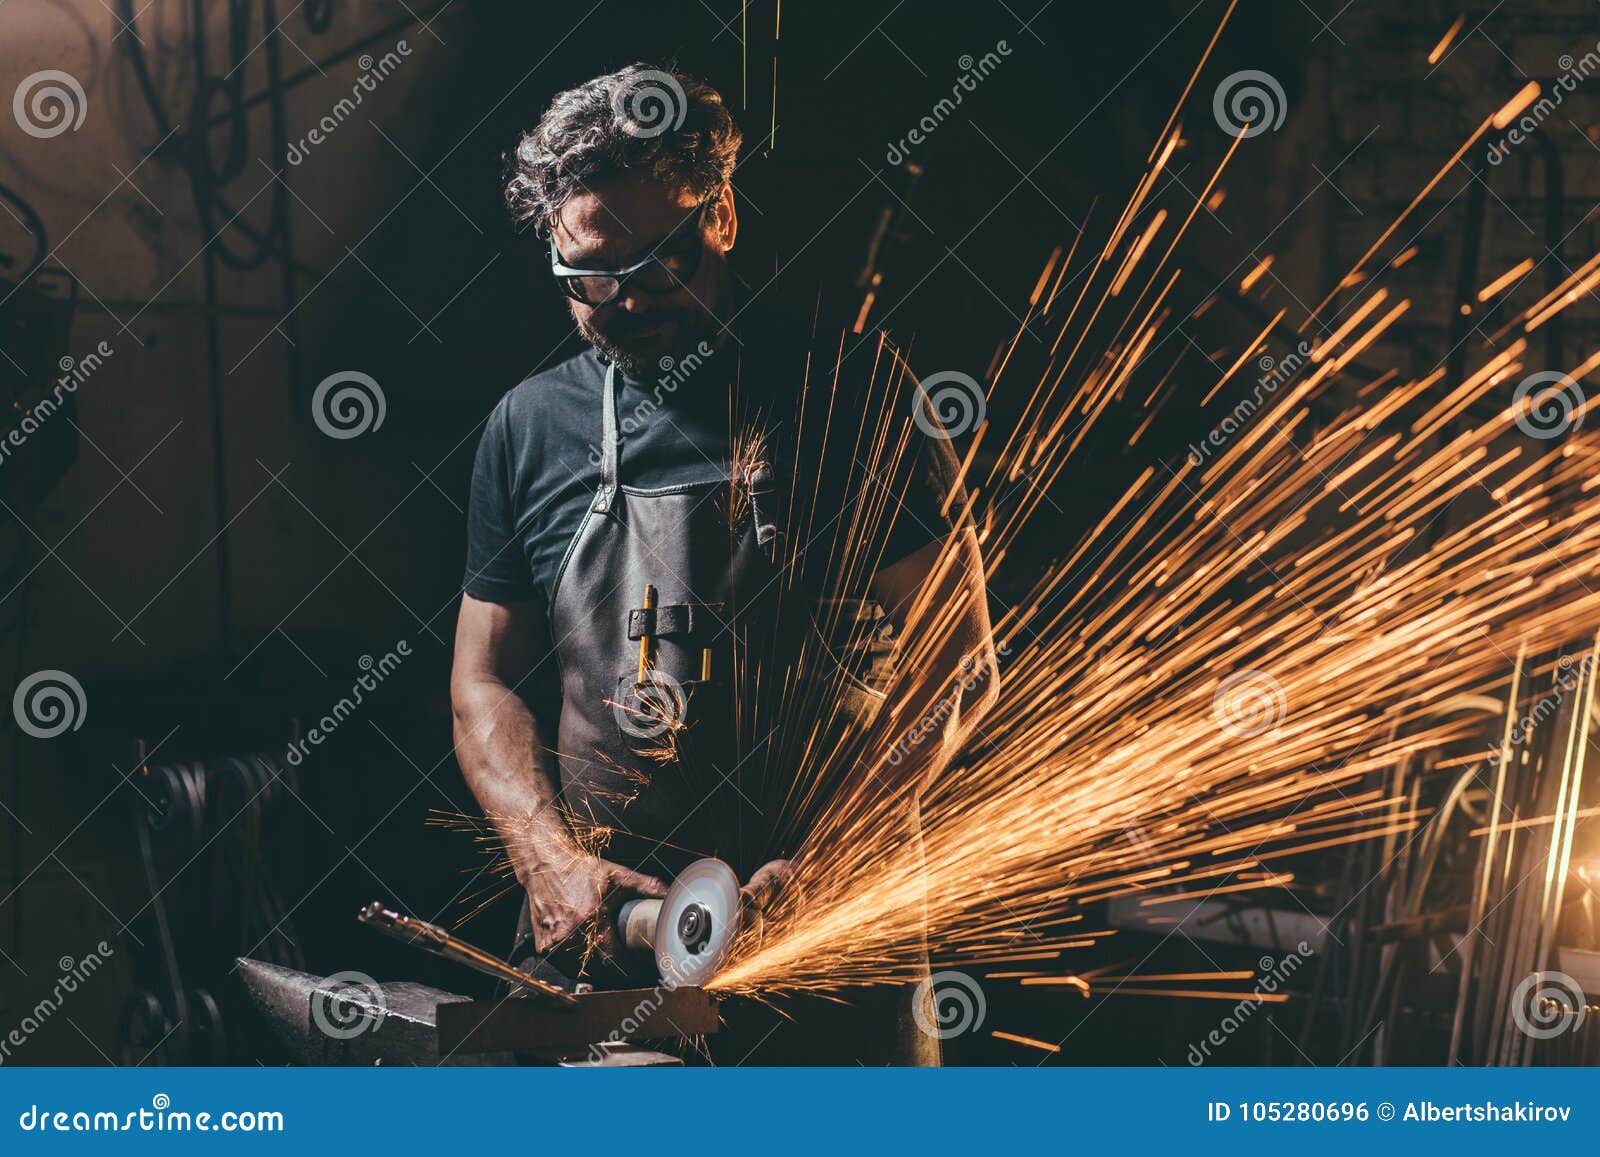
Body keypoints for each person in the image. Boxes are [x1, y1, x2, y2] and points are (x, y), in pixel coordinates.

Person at [449, 64, 995, 1064]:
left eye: (659, 265)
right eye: (589, 276)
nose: (622, 302)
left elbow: (958, 655)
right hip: (606, 946)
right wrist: (547, 857)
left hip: (826, 957)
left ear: (725, 220)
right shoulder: (526, 430)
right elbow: (482, 678)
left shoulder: (850, 395)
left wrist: (833, 854)